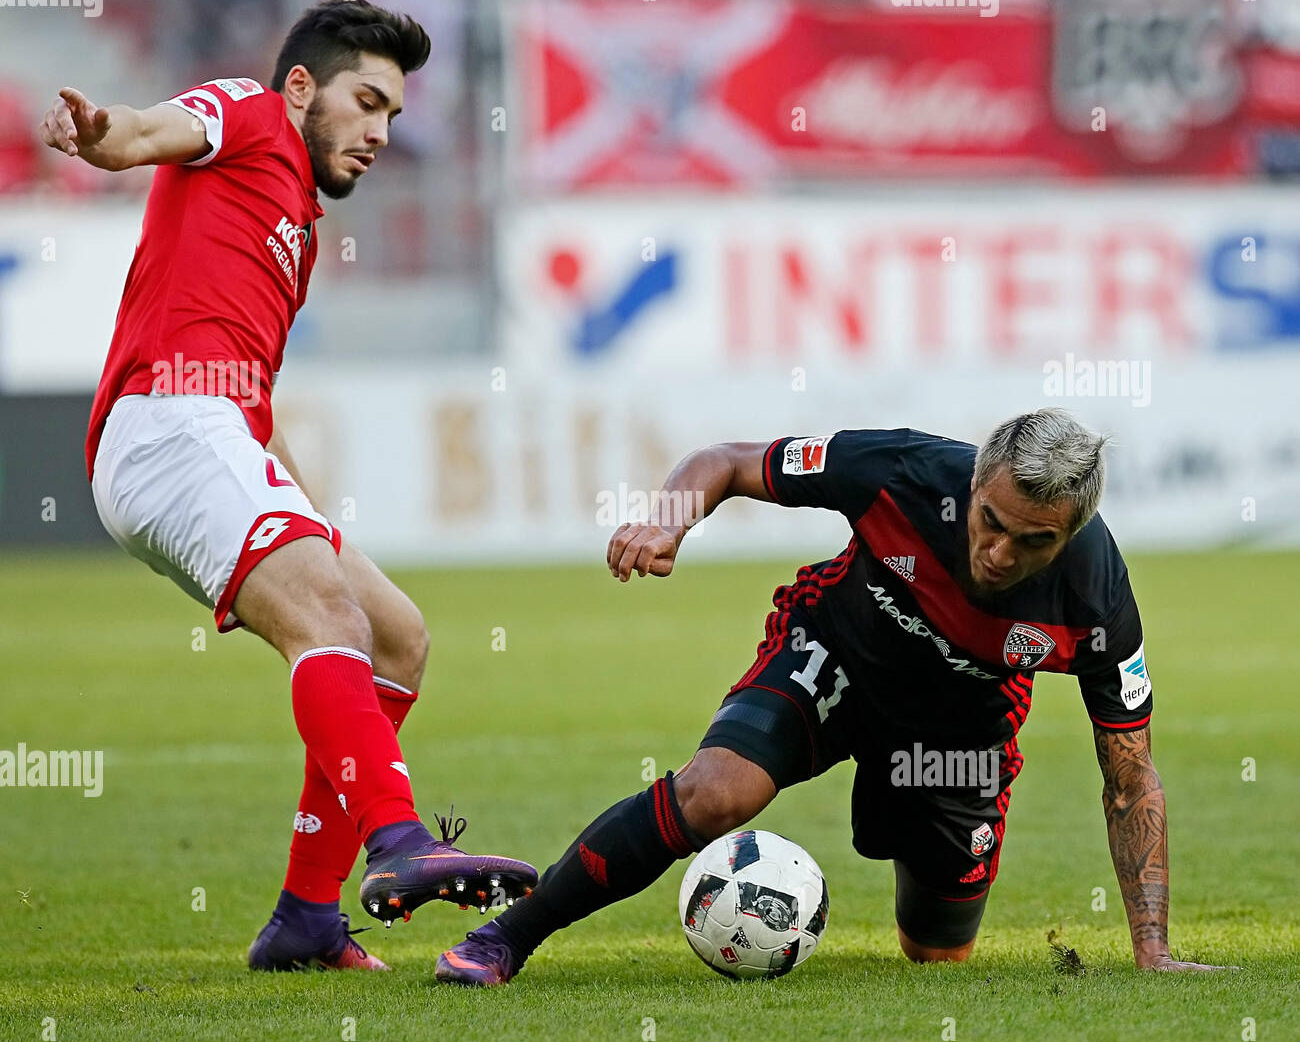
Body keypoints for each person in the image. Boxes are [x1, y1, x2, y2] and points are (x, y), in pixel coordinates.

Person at [40, 0, 536, 973]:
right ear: (303, 87)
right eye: (366, 102)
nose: (381, 134)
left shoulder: (297, 230)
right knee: (328, 617)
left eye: (393, 116)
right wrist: (104, 135)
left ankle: (306, 920)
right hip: (166, 422)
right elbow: (146, 131)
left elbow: (254, 404)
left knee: (395, 632)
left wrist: (302, 507)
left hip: (217, 430)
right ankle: (399, 843)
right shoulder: (249, 110)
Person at [436, 409, 1230, 984]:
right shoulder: (900, 469)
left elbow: (1131, 781)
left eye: (1033, 542)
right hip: (833, 657)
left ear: (1071, 532)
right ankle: (507, 937)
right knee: (716, 794)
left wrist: (1151, 948)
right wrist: (666, 523)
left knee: (937, 958)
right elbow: (728, 459)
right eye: (990, 521)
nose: (997, 552)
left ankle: (902, 827)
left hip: (954, 741)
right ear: (978, 475)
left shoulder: (1097, 603)